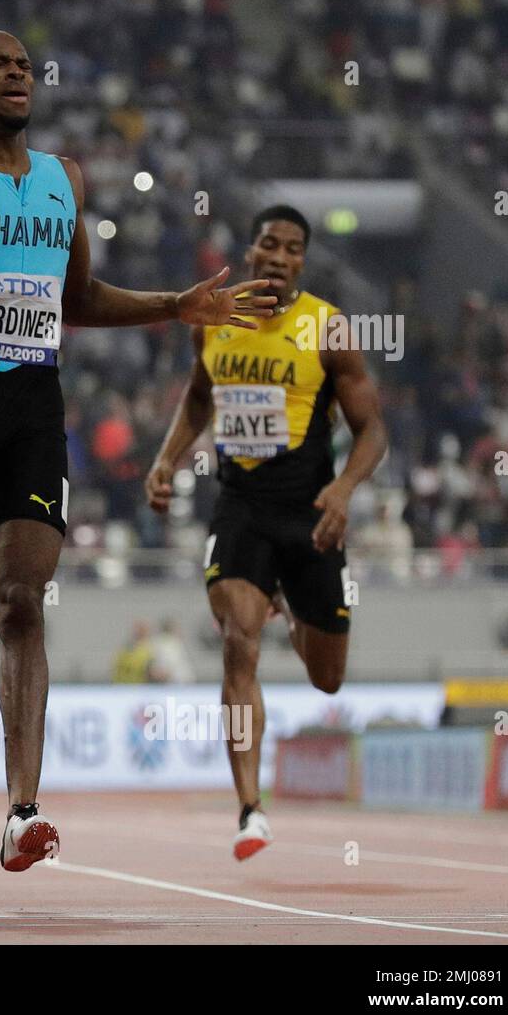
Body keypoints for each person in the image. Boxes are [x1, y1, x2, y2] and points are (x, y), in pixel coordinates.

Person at [0, 29, 276, 872]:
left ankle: (20, 813)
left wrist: (172, 304)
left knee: (20, 602)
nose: (16, 73)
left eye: (25, 66)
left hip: (35, 411)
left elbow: (77, 298)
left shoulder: (63, 180)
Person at [145, 204, 387, 860]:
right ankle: (250, 809)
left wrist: (343, 489)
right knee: (237, 645)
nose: (279, 257)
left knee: (327, 678)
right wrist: (168, 458)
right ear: (251, 249)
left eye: (292, 249)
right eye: (269, 244)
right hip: (242, 507)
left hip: (309, 514)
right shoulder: (214, 319)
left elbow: (374, 430)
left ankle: (295, 610)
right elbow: (200, 395)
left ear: (302, 262)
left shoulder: (327, 328)